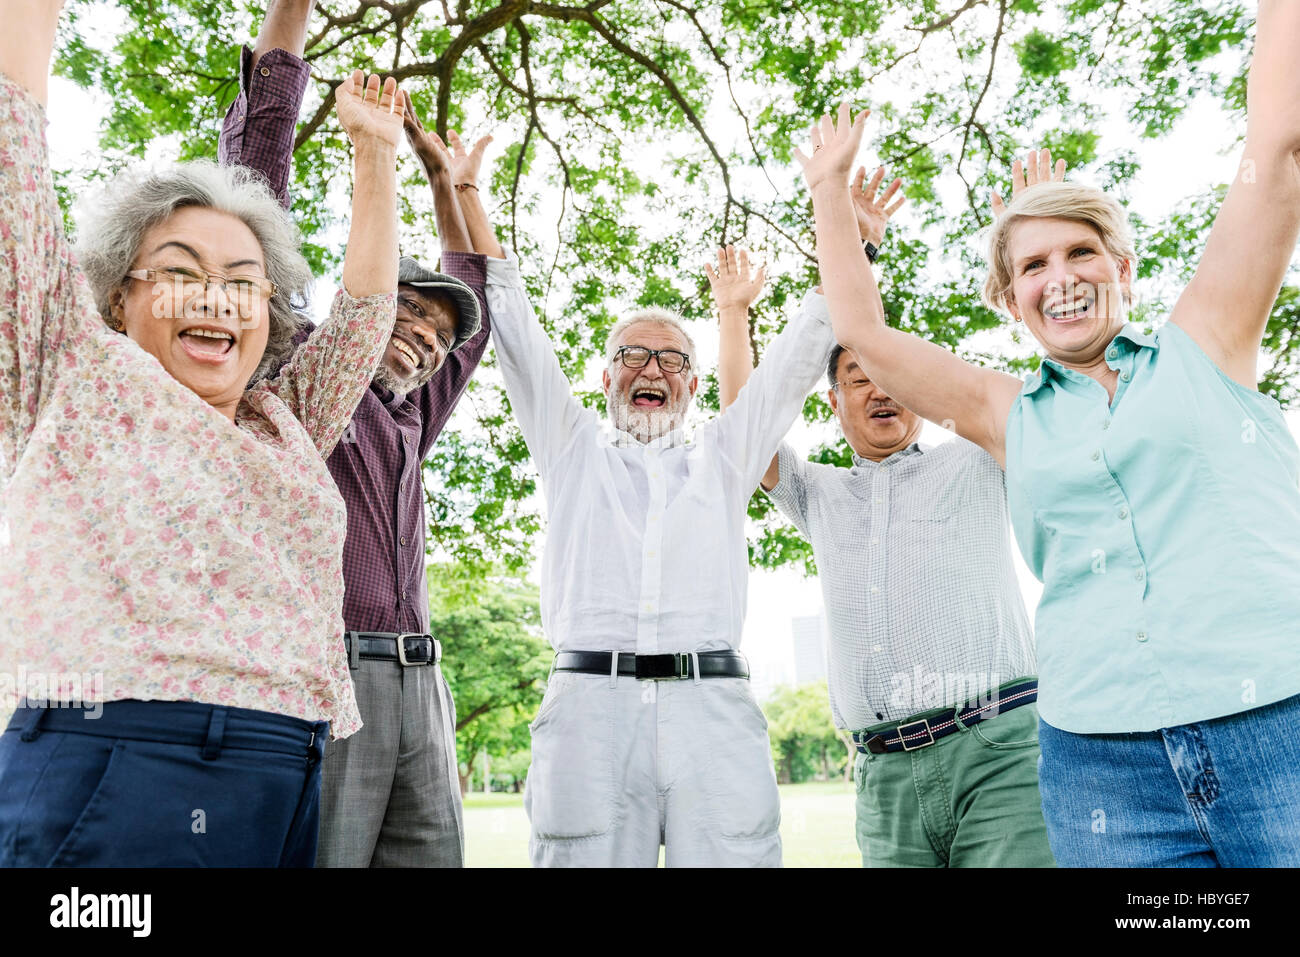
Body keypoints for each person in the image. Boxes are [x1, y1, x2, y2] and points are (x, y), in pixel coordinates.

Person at [797, 0, 1300, 866]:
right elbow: (866, 334)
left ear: (1123, 267)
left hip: (1273, 725)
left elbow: (1279, 150)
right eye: (1032, 264)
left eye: (1080, 252)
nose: (1059, 277)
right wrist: (828, 198)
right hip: (1101, 762)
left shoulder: (1206, 343)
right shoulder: (1003, 413)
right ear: (1009, 293)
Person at [0, 0, 408, 866]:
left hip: (285, 767)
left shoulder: (281, 424)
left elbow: (366, 318)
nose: (216, 297)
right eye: (180, 273)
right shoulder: (73, 370)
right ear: (118, 297)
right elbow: (13, 163)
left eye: (242, 281)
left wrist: (374, 156)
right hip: (120, 756)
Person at [449, 133, 834, 867]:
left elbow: (799, 355)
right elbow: (519, 331)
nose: (651, 367)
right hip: (590, 710)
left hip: (712, 715)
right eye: (632, 353)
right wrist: (468, 194)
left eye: (672, 359)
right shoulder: (572, 449)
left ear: (692, 386)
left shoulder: (726, 457)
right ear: (605, 378)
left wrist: (848, 239)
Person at [713, 160, 1053, 868]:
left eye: (888, 373)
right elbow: (744, 425)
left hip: (999, 750)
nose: (877, 389)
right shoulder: (819, 493)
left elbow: (1053, 382)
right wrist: (734, 316)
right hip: (883, 776)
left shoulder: (976, 453)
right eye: (855, 378)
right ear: (833, 403)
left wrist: (1033, 228)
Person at [218, 1, 491, 868]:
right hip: (328, 673)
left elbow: (477, 308)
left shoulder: (413, 413)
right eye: (406, 309)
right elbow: (255, 187)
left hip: (425, 684)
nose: (425, 332)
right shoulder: (300, 381)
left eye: (437, 332)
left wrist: (452, 186)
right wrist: (291, 24)